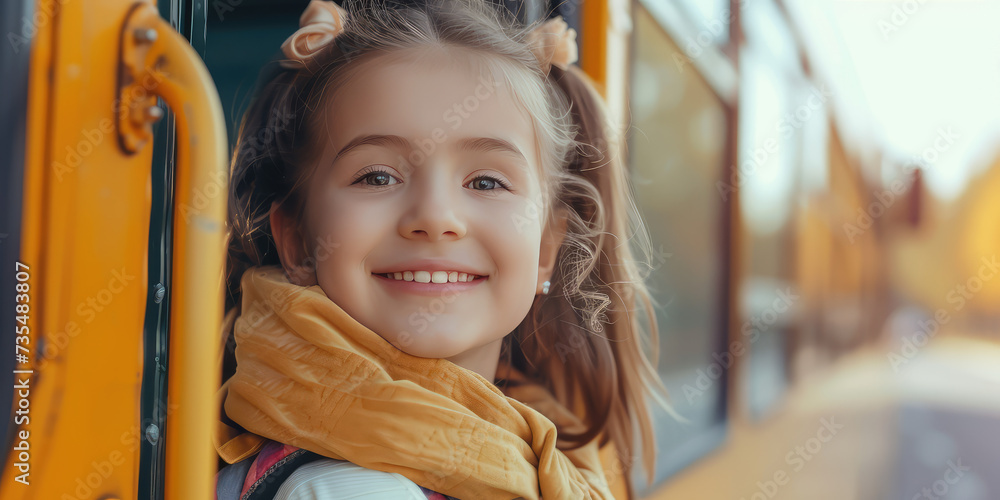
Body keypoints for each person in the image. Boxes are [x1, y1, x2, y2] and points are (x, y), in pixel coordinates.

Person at [213, 0, 673, 498]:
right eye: (377, 176)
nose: (435, 217)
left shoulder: (533, 434)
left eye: (487, 182)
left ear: (546, 247)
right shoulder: (345, 488)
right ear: (299, 242)